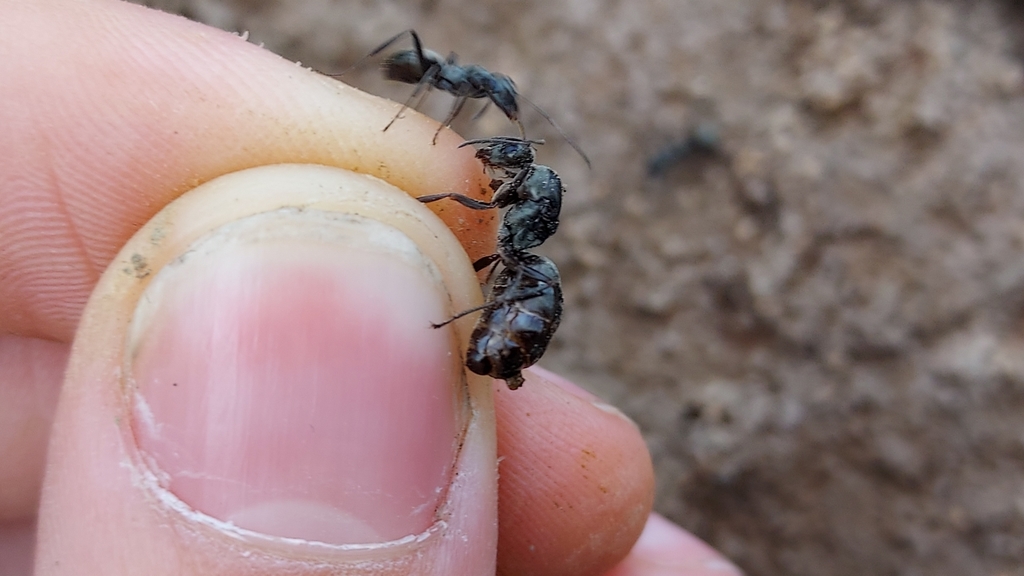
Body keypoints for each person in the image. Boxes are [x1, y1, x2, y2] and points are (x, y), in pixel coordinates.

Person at [0, 1, 742, 574]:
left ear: (528, 191)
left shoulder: (519, 251)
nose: (495, 162)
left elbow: (501, 232)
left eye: (507, 162)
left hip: (503, 297)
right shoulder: (518, 227)